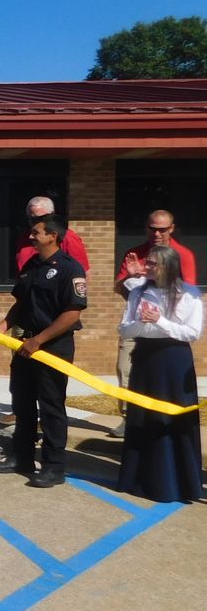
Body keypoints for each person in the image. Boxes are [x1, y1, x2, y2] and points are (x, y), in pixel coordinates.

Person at [0, 214, 87, 488]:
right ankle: (21, 457)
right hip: (26, 345)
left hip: (53, 347)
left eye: (36, 232)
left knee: (51, 407)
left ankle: (54, 467)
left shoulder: (71, 269)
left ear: (52, 236)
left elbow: (71, 313)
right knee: (22, 402)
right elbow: (21, 304)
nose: (31, 236)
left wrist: (39, 340)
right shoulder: (32, 264)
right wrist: (2, 326)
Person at [117, 245, 202, 502]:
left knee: (172, 417)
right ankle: (139, 478)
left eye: (153, 263)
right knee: (142, 417)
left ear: (168, 265)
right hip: (145, 360)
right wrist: (142, 322)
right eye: (148, 263)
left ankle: (178, 482)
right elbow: (124, 329)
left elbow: (192, 333)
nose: (147, 267)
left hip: (174, 361)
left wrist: (160, 321)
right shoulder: (139, 291)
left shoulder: (188, 293)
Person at [111, 210, 198, 438]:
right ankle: (129, 417)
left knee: (165, 382)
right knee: (124, 368)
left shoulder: (183, 255)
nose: (157, 233)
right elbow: (120, 288)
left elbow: (184, 294)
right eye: (152, 228)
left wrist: (161, 318)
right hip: (139, 322)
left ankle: (165, 424)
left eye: (162, 229)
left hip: (168, 329)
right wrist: (132, 279)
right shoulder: (135, 253)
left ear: (172, 228)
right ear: (146, 228)